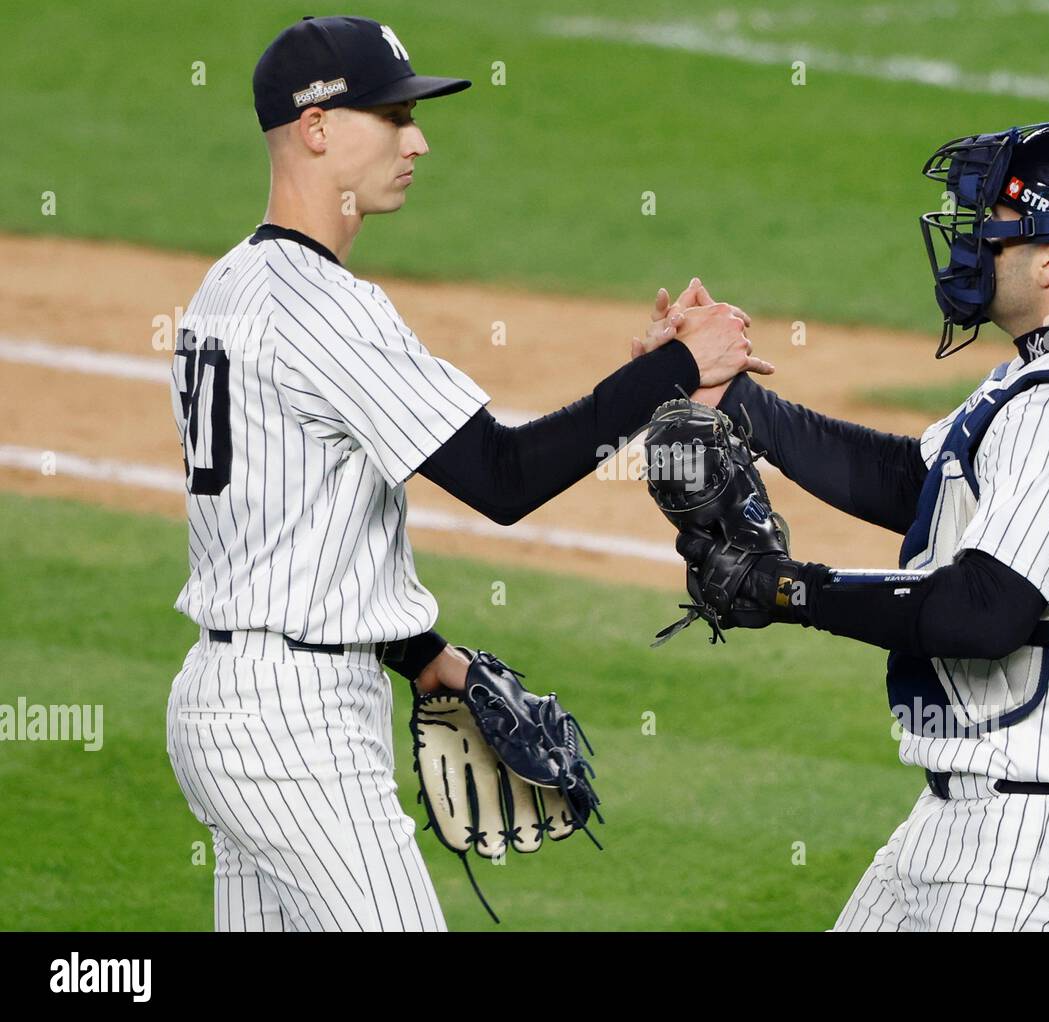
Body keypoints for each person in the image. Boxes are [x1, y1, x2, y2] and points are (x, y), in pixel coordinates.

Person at [164, 14, 770, 932]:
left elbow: (286, 526)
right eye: (393, 116)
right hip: (291, 729)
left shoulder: (227, 285)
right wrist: (679, 368)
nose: (419, 140)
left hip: (233, 698)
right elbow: (503, 476)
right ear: (318, 127)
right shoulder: (324, 307)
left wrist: (421, 655)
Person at [659, 113, 1049, 931]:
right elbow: (918, 481)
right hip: (962, 825)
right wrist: (734, 399)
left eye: (996, 229)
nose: (971, 244)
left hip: (1036, 854)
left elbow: (985, 612)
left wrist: (789, 592)